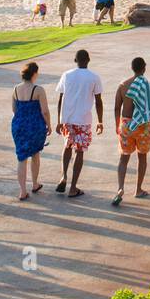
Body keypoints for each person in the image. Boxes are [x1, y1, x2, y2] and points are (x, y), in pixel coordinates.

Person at [111, 56, 150, 206]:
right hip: (142, 126)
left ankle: (120, 188)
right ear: (144, 68)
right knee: (142, 157)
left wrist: (118, 125)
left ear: (132, 68)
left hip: (125, 125)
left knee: (123, 158)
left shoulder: (123, 85)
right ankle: (138, 189)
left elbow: (117, 107)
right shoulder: (147, 85)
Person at [55, 50, 104, 198]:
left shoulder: (67, 75)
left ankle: (63, 176)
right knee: (80, 151)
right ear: (88, 60)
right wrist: (100, 121)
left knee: (67, 146)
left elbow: (60, 99)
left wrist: (59, 121)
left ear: (75, 60)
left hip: (68, 119)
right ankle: (73, 188)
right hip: (83, 120)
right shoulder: (94, 77)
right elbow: (98, 101)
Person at [11, 62, 51, 200]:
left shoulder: (15, 89)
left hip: (19, 126)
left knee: (21, 158)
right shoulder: (38, 90)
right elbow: (45, 111)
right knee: (35, 154)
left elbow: (14, 110)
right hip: (35, 126)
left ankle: (22, 191)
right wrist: (49, 125)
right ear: (34, 74)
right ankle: (34, 184)